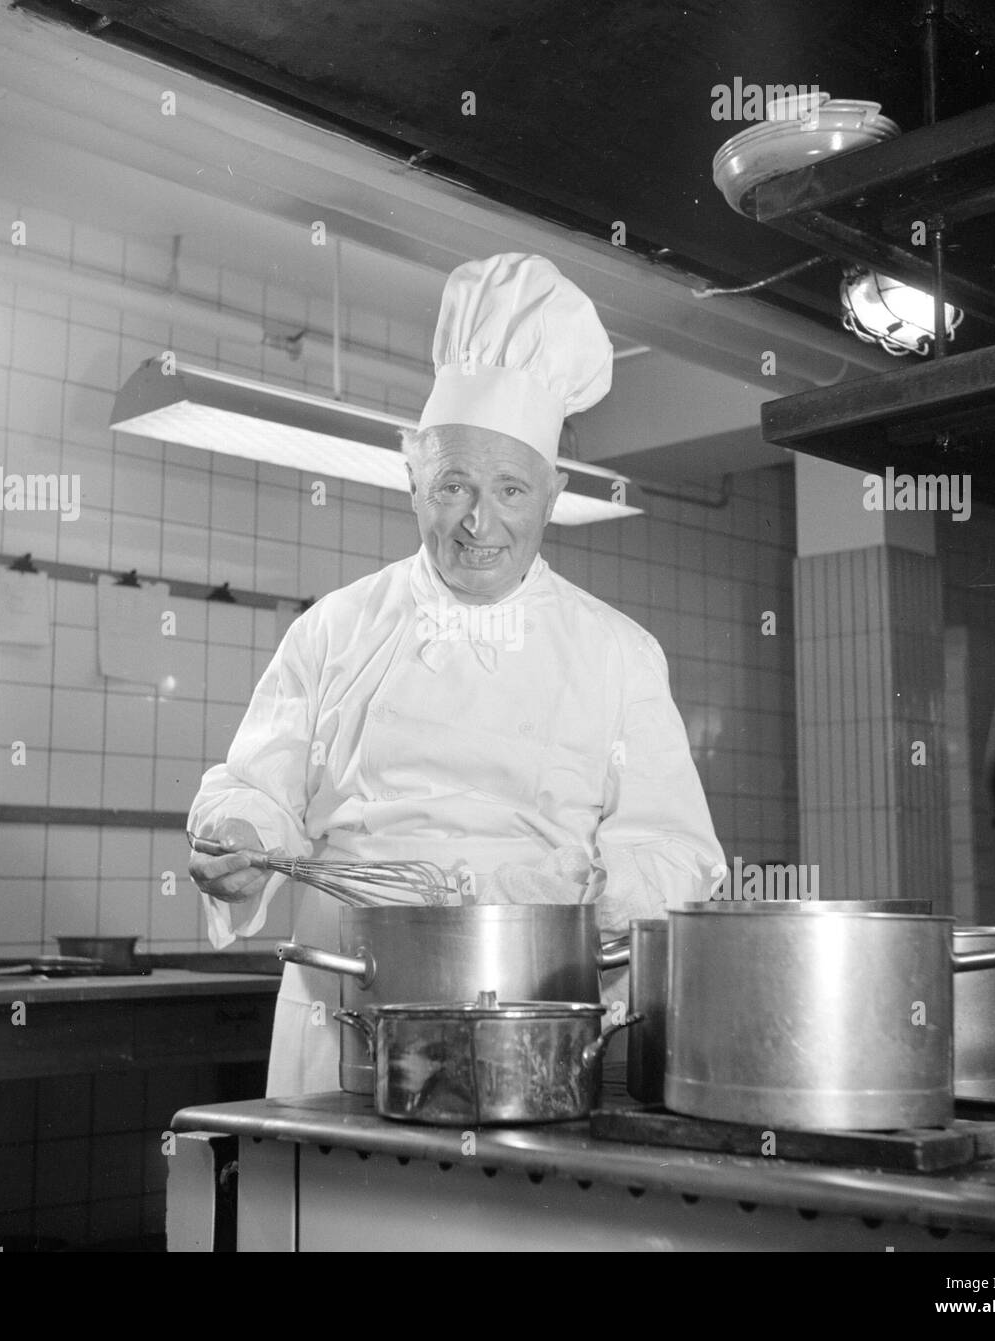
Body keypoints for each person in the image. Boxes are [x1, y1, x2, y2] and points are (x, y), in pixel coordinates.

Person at [188, 252, 724, 1096]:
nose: (480, 520)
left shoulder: (619, 654)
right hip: (346, 1015)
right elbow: (256, 790)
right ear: (411, 479)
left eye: (511, 489)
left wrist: (579, 895)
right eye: (453, 486)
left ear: (552, 494)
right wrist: (242, 840)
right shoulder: (332, 630)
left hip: (537, 1020)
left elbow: (677, 854)